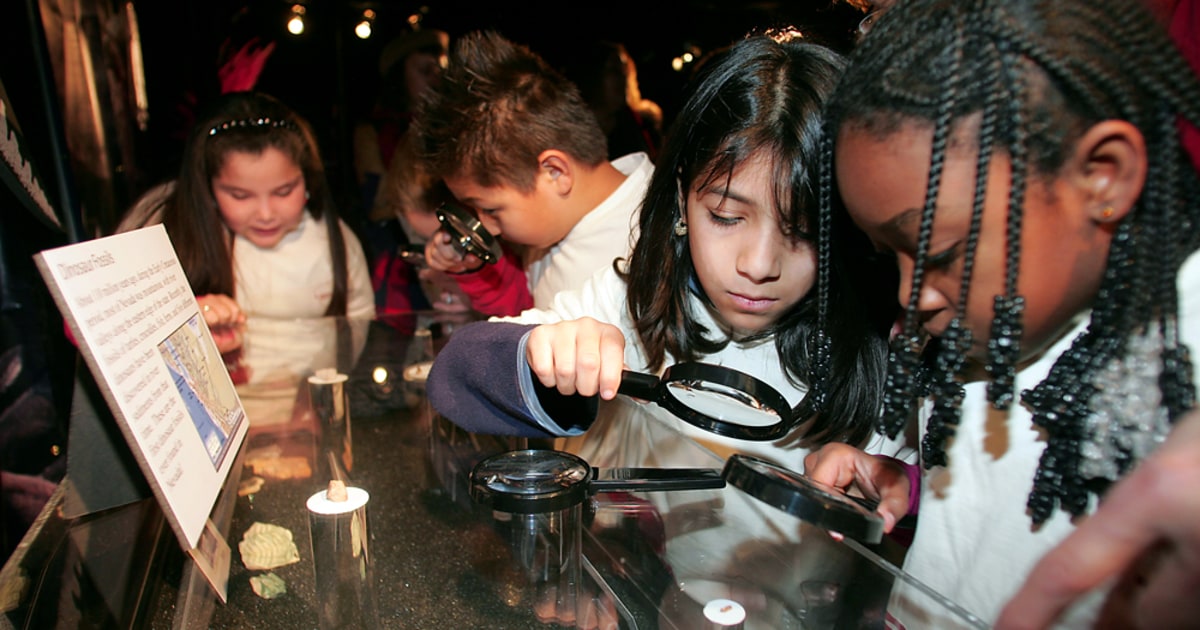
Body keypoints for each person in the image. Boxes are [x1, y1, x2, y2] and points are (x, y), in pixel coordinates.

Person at [800, 0, 1200, 626]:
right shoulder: (972, 329)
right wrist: (911, 484)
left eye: (940, 252)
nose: (912, 295)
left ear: (1103, 177)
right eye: (891, 258)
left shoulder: (1180, 332)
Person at [426, 29, 901, 471]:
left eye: (802, 231)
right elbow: (457, 371)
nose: (757, 265)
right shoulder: (637, 295)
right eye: (725, 217)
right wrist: (540, 348)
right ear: (680, 196)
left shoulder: (882, 345)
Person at [410, 30, 655, 315]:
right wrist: (473, 269)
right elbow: (528, 307)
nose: (489, 227)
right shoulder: (557, 222)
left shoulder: (652, 242)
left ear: (554, 172)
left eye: (491, 210)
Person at [119, 91, 376, 359]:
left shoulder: (332, 237)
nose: (265, 214)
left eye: (284, 191)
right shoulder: (167, 223)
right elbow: (120, 325)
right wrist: (182, 317)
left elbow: (357, 320)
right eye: (240, 196)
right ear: (207, 187)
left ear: (308, 180)